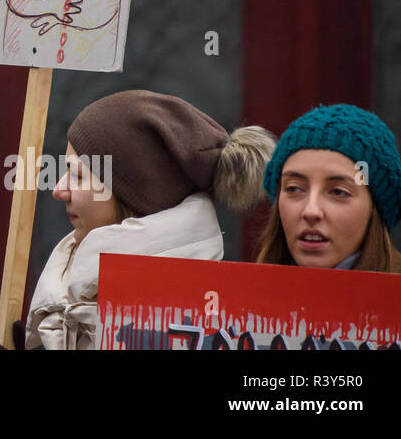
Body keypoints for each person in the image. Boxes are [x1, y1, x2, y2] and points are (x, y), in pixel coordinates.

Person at [25, 91, 275, 350]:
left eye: (77, 175)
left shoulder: (202, 320)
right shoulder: (78, 286)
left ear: (133, 193)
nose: (58, 190)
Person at [257, 103, 401, 273]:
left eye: (338, 192)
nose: (311, 211)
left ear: (375, 209)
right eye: (294, 189)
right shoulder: (240, 295)